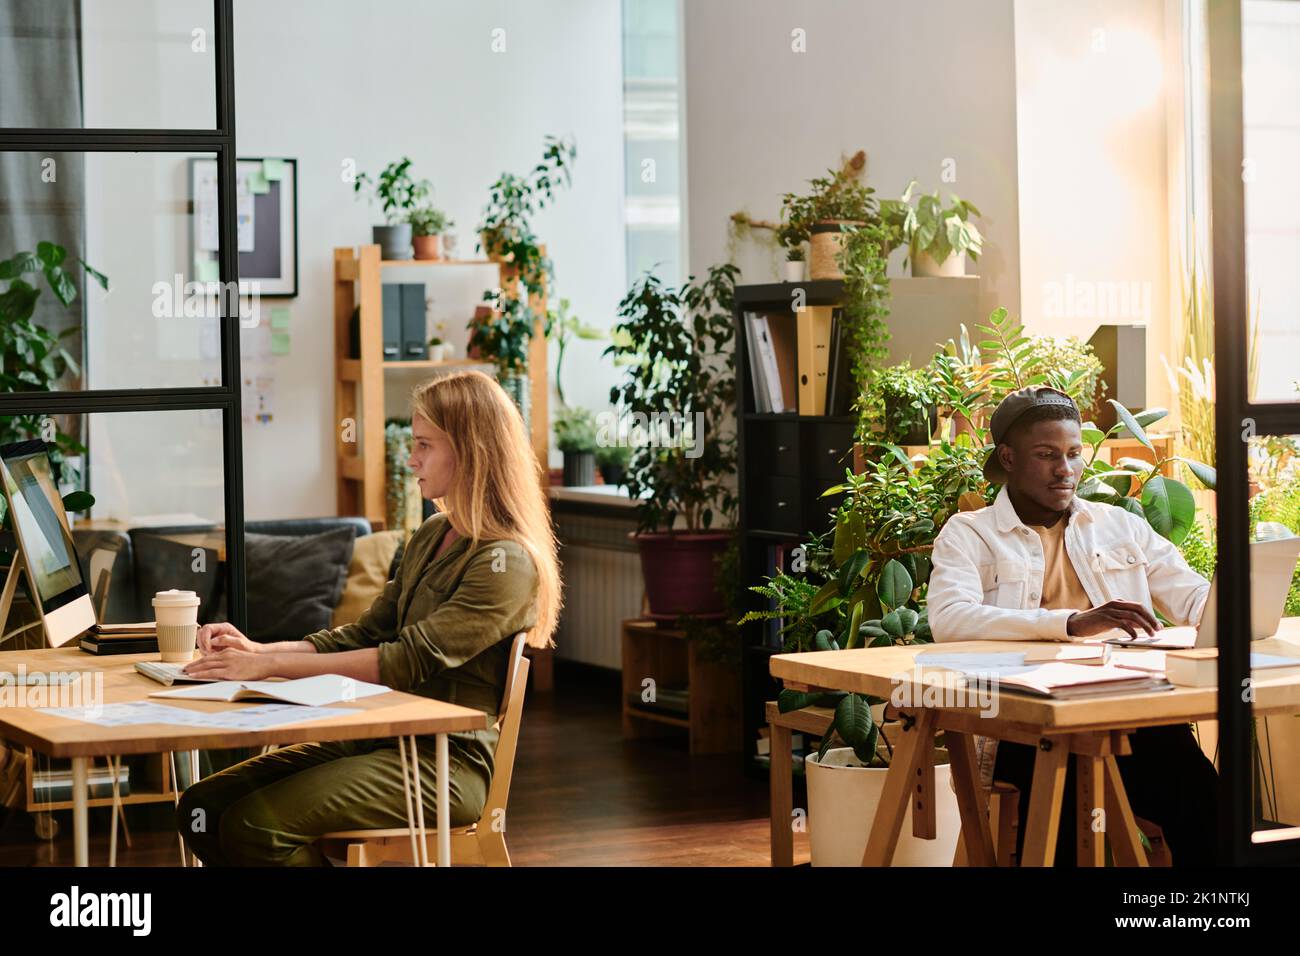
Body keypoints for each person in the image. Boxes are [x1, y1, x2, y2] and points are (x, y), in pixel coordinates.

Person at [175, 370, 562, 866]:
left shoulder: (506, 564)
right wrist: (259, 652)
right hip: (379, 743)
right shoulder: (432, 533)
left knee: (254, 825)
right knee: (201, 806)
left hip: (442, 765)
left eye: (424, 444)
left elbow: (404, 661)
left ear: (470, 449)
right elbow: (367, 633)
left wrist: (267, 668)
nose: (411, 458)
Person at [926, 385, 1218, 865]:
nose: (1066, 469)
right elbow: (950, 619)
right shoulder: (971, 533)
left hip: (1130, 715)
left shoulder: (1116, 524)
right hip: (1025, 725)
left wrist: (1233, 607)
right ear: (1009, 457)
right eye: (1047, 455)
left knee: (1209, 807)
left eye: (1074, 454)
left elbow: (1191, 595)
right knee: (1064, 808)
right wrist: (1071, 623)